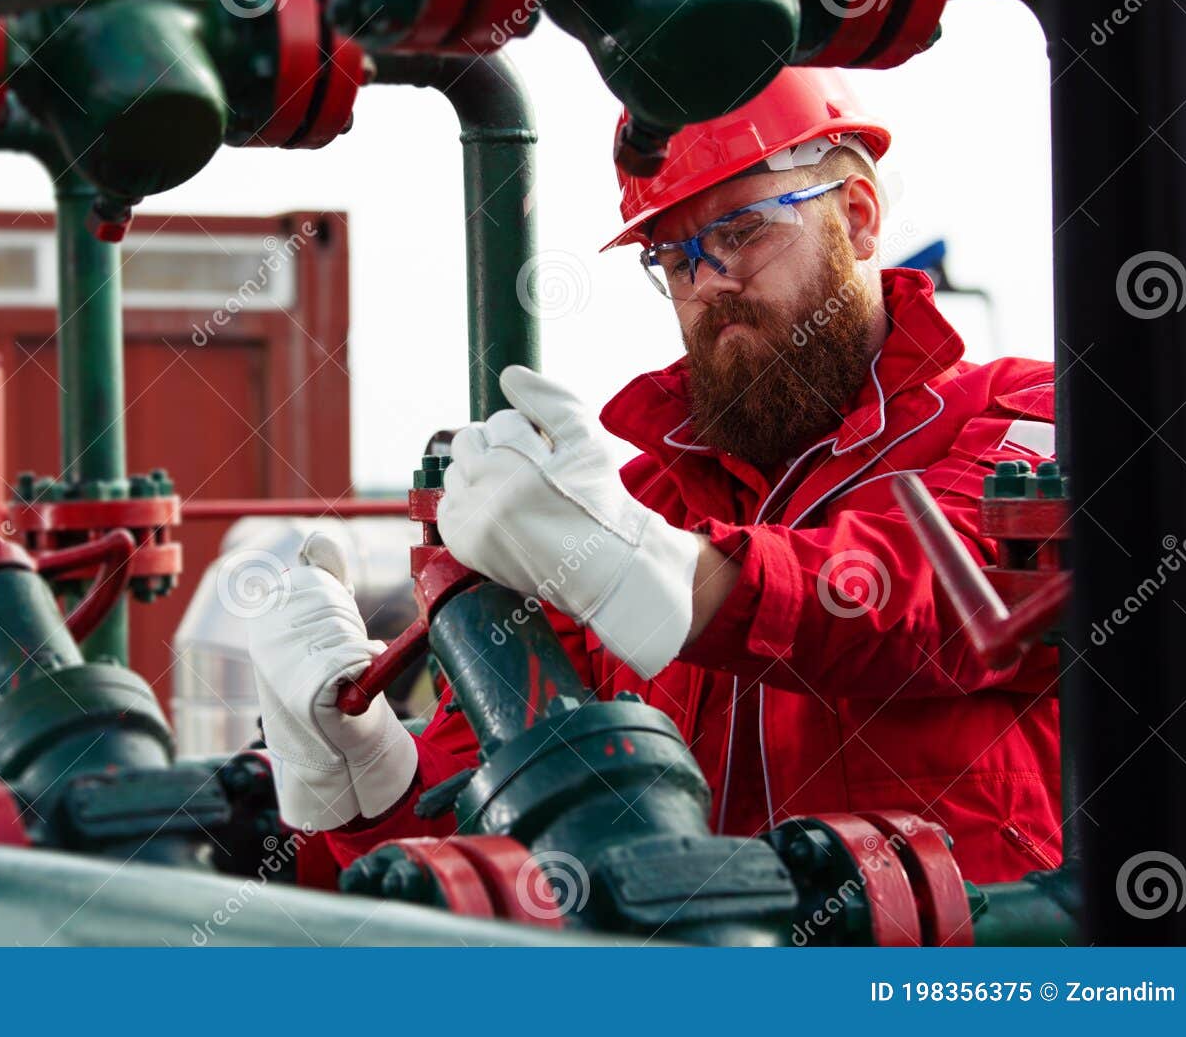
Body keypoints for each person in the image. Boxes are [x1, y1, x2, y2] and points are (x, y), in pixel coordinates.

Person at [248, 68, 1061, 885]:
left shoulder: (1024, 412)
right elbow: (492, 852)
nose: (709, 280)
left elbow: (944, 595)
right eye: (674, 257)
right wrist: (363, 779)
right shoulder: (629, 510)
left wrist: (665, 574)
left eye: (742, 230)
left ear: (857, 216)